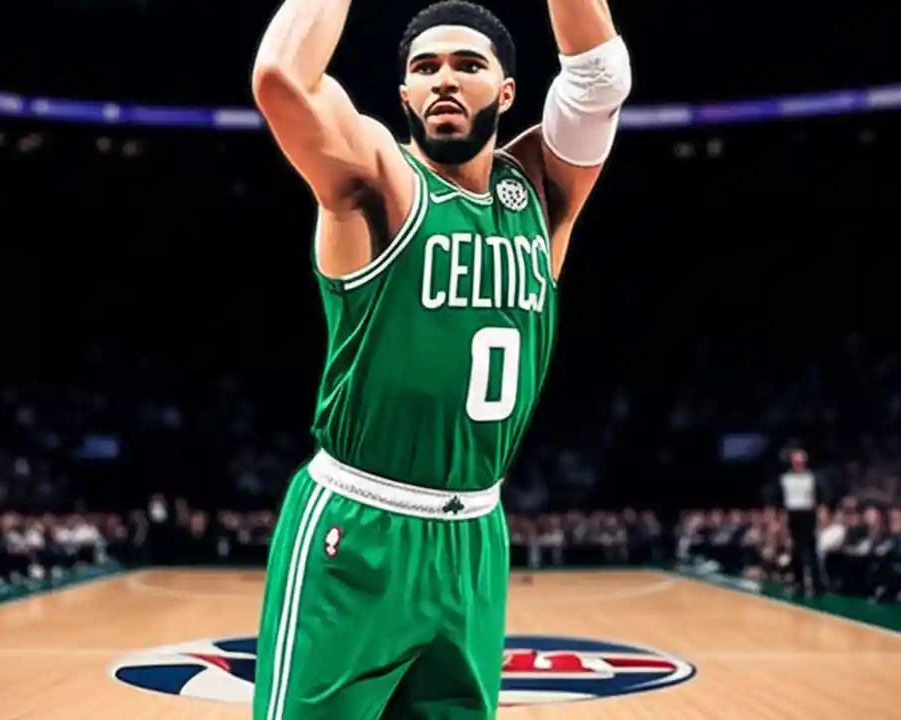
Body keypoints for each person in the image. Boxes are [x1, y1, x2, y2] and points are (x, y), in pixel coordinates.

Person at [247, 0, 630, 716]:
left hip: (475, 533)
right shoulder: (379, 183)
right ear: (403, 96)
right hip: (358, 531)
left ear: (507, 91)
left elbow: (600, 76)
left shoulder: (538, 194)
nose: (443, 81)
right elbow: (282, 80)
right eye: (424, 69)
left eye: (467, 65)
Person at [779, 449, 826, 597]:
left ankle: (817, 586)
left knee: (811, 550)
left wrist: (820, 514)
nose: (799, 463)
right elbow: (782, 501)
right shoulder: (785, 478)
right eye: (796, 461)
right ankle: (798, 583)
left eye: (802, 461)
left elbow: (819, 498)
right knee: (796, 551)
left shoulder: (812, 477)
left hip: (808, 513)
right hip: (793, 514)